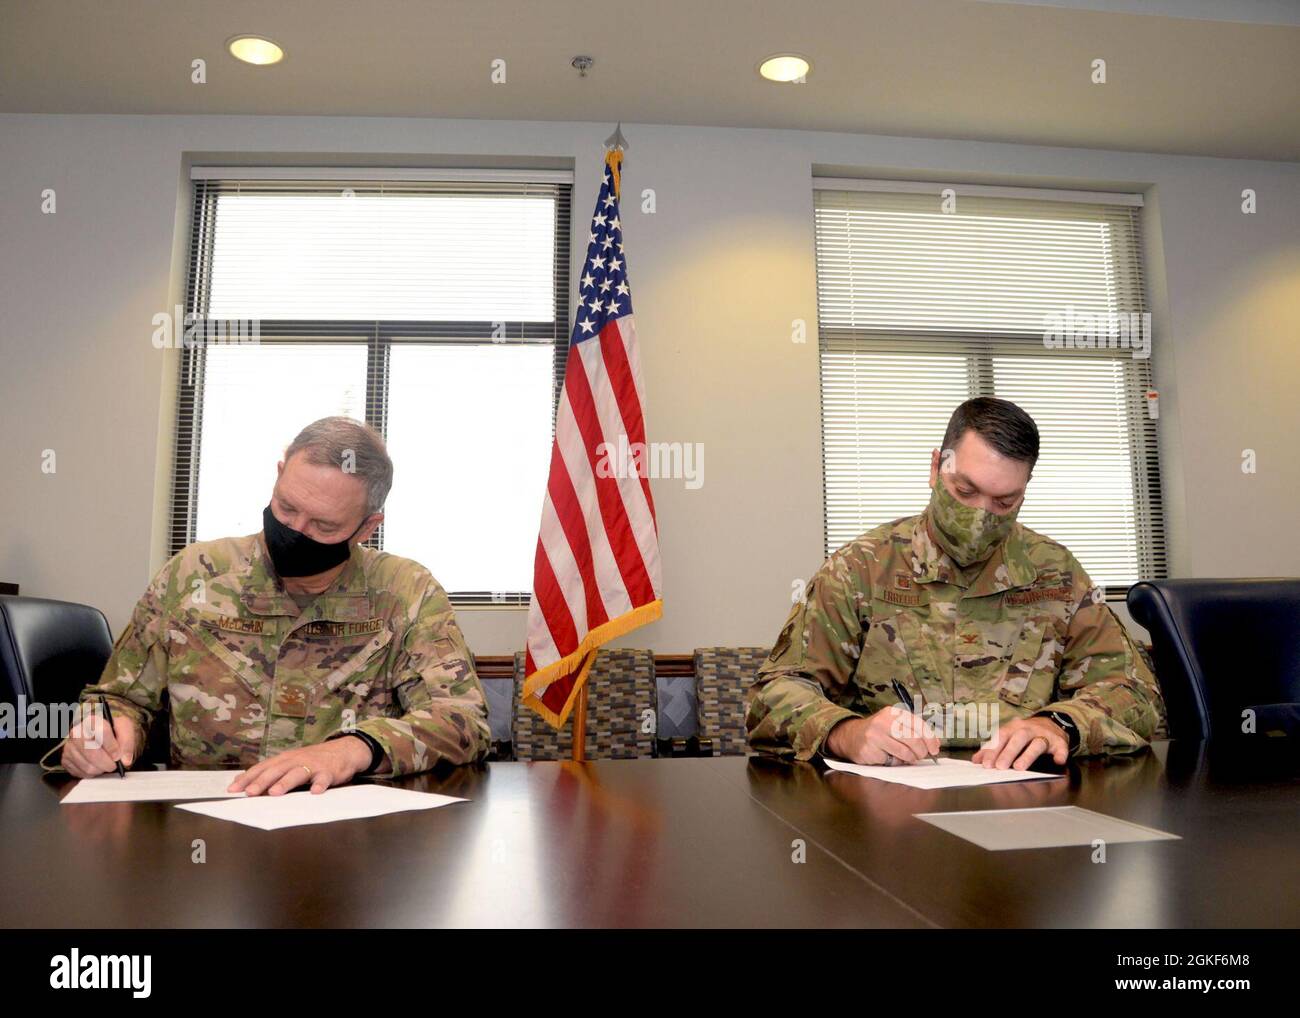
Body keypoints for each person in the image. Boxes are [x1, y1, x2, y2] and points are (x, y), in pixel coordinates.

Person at [61, 416, 490, 794]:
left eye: (323, 525)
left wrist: (356, 748)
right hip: (205, 832)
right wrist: (101, 732)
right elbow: (120, 699)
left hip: (347, 833)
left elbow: (463, 721)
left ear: (367, 527)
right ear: (280, 473)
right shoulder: (194, 575)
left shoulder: (405, 591)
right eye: (286, 507)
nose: (295, 530)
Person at [747, 397, 1165, 770]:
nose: (981, 517)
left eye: (1003, 503)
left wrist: (1060, 725)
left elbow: (1136, 694)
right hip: (885, 816)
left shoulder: (1056, 574)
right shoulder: (862, 568)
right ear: (936, 468)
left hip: (1025, 806)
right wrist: (846, 733)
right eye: (964, 491)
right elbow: (772, 696)